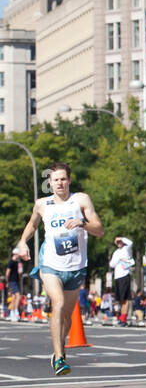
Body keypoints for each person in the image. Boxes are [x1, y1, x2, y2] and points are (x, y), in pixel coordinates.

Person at [13, 161, 105, 375]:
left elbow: (99, 230)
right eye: (56, 180)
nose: (60, 183)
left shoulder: (80, 200)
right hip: (50, 264)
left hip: (76, 266)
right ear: (50, 183)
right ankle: (60, 359)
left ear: (69, 180)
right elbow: (32, 224)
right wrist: (23, 242)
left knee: (66, 317)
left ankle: (58, 352)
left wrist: (81, 223)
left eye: (63, 179)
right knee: (59, 303)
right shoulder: (42, 204)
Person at [108, 237, 134, 325]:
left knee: (125, 298)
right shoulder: (116, 252)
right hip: (117, 276)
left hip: (124, 275)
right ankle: (121, 317)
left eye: (120, 242)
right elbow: (111, 264)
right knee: (120, 299)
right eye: (117, 242)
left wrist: (122, 238)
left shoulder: (126, 249)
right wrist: (119, 259)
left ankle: (124, 318)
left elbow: (130, 243)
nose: (119, 243)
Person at [6, 249, 25, 321]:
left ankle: (12, 313)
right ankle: (16, 311)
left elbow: (20, 273)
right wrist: (7, 282)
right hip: (12, 281)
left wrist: (20, 270)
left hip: (16, 281)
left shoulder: (17, 263)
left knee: (14, 297)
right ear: (15, 254)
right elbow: (7, 273)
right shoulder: (11, 262)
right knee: (18, 295)